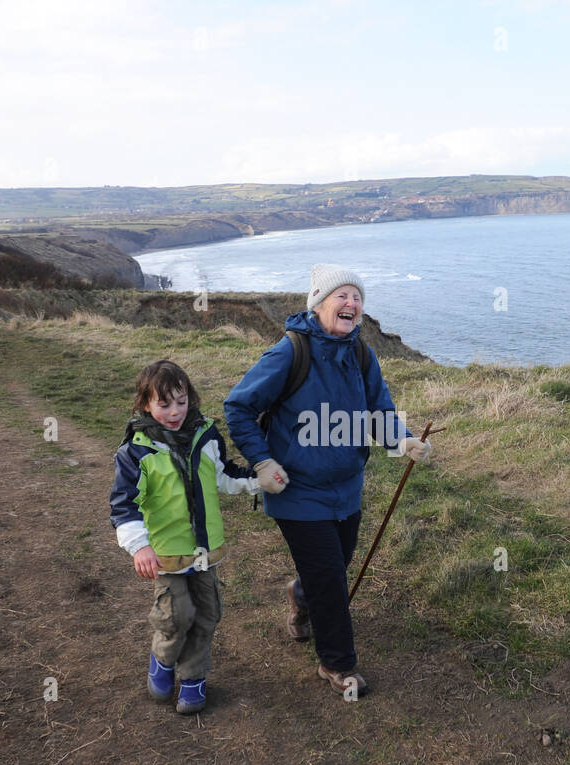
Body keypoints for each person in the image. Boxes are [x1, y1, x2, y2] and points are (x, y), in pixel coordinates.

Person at [224, 265, 432, 698]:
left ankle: (301, 599)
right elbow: (238, 407)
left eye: (357, 297)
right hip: (296, 490)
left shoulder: (361, 354)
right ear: (318, 304)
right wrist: (261, 462)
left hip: (346, 488)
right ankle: (337, 663)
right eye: (342, 296)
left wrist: (404, 441)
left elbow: (380, 411)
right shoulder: (289, 352)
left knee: (333, 567)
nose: (352, 304)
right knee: (331, 581)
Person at [110, 360, 259, 714]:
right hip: (165, 554)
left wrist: (260, 479)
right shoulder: (136, 452)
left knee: (207, 614)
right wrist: (139, 546)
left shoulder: (206, 436)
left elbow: (224, 474)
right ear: (145, 404)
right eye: (164, 404)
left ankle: (193, 677)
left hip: (206, 552)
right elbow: (123, 504)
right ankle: (162, 661)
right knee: (177, 616)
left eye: (181, 401)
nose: (175, 411)